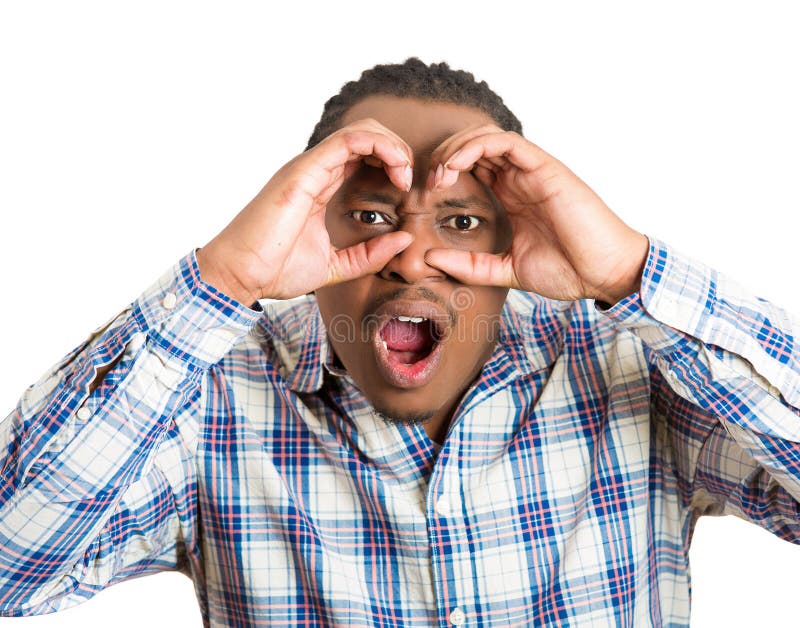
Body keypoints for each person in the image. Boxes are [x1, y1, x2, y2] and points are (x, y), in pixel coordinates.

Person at [0, 57, 797, 627]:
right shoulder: (209, 399)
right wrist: (221, 282)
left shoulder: (633, 366)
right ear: (309, 222)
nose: (414, 257)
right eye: (372, 217)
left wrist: (630, 274)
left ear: (515, 239)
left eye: (458, 223)